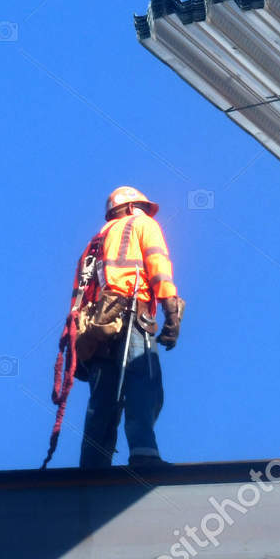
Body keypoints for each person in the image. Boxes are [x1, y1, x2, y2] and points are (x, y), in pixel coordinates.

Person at [79, 186, 184, 468]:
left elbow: (80, 296)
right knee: (143, 381)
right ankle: (144, 454)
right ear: (128, 208)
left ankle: (91, 470)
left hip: (98, 328)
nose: (146, 213)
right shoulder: (142, 224)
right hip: (132, 315)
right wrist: (171, 311)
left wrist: (79, 350)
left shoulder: (93, 245)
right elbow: (158, 264)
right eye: (142, 207)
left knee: (102, 399)